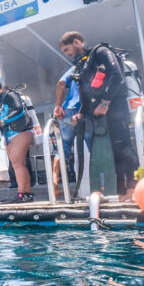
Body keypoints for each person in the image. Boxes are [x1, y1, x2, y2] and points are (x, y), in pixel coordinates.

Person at [59, 31, 139, 201]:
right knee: (111, 152)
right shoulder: (82, 64)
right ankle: (119, 191)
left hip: (115, 109)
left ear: (76, 42)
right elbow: (85, 92)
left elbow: (116, 76)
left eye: (67, 49)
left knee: (123, 148)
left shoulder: (101, 52)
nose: (66, 54)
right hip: (98, 116)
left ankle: (132, 189)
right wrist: (81, 113)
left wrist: (105, 103)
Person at [0, 72, 35, 203]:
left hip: (20, 132)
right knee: (18, 164)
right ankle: (26, 194)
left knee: (17, 164)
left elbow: (19, 110)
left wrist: (1, 122)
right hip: (8, 136)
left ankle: (22, 194)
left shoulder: (10, 95)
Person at [52, 65, 92, 198]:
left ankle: (55, 180)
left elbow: (61, 83)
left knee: (62, 148)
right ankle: (100, 184)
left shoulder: (76, 67)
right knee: (93, 146)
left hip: (68, 110)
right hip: (87, 109)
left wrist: (58, 105)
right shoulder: (96, 63)